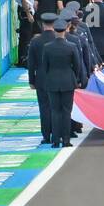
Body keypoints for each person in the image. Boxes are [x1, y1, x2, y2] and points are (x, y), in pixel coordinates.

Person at [40, 15, 86, 148]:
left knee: (55, 111)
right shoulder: (71, 46)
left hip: (52, 81)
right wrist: (74, 78)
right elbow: (77, 65)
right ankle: (66, 140)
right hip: (68, 81)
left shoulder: (47, 47)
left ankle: (55, 140)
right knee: (66, 111)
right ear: (66, 29)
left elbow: (45, 66)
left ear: (54, 30)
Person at [28, 11, 60, 145]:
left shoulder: (36, 41)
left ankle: (46, 135)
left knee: (44, 107)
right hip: (57, 77)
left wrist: (31, 80)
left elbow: (31, 63)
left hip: (41, 78)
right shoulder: (59, 39)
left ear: (42, 24)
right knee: (56, 107)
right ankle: (57, 134)